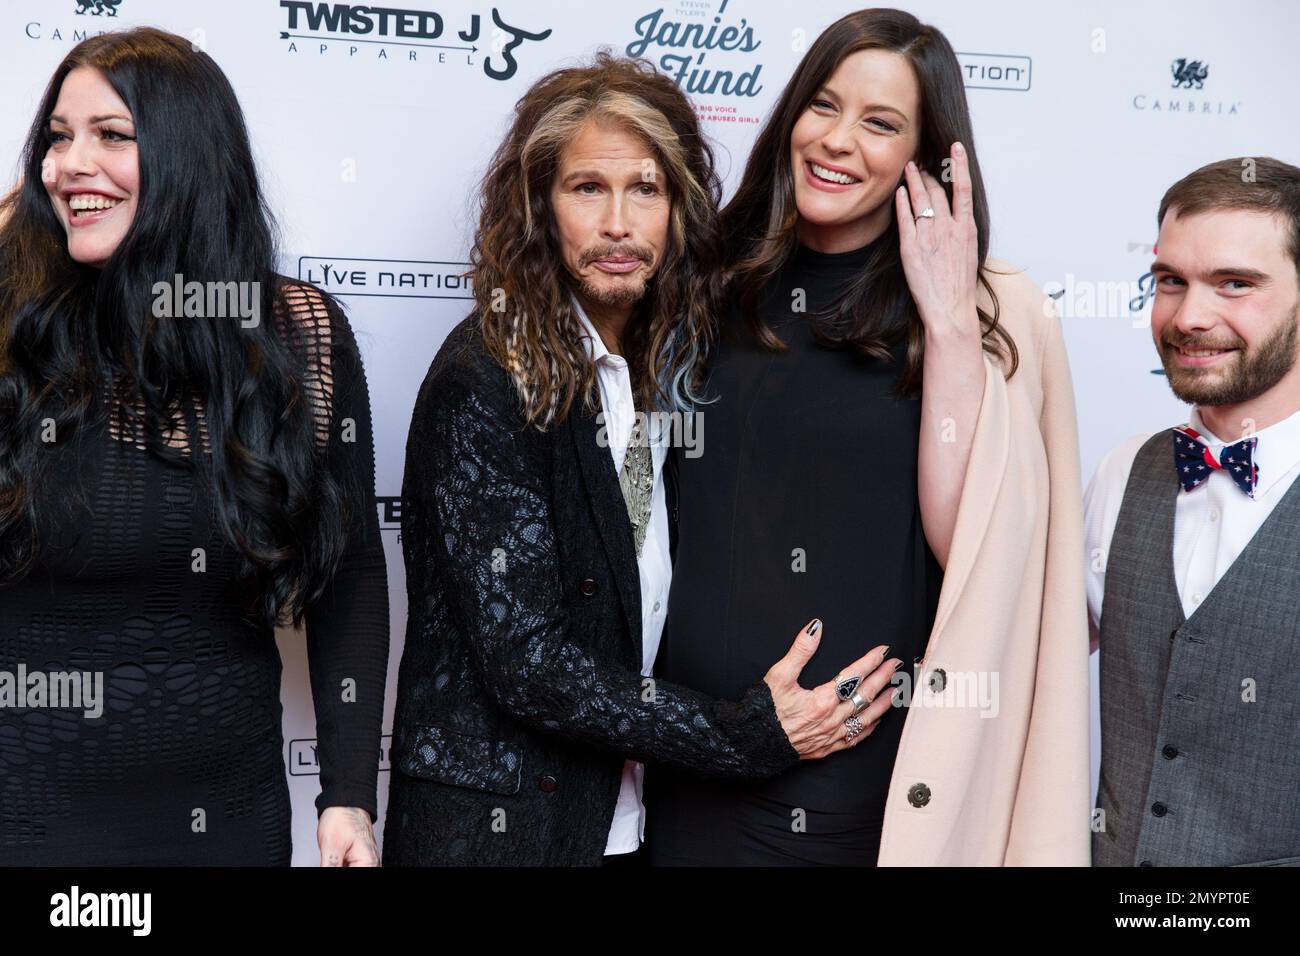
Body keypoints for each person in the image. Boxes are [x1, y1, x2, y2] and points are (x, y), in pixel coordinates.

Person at [383, 53, 896, 867]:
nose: (619, 223)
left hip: (629, 822)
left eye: (646, 190)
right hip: (499, 835)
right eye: (588, 188)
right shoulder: (484, 374)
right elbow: (529, 664)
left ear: (679, 209)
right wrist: (744, 736)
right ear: (540, 207)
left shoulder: (663, 366)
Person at [646, 8, 1090, 866]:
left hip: (855, 778)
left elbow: (976, 553)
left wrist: (951, 321)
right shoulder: (701, 279)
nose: (839, 140)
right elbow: (634, 503)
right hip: (691, 758)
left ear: (926, 159)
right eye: (823, 105)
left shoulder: (992, 309)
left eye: (880, 123)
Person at [0, 28, 389, 866]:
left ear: (186, 154)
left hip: (225, 821)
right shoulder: (14, 327)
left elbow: (350, 574)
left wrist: (349, 793)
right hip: (29, 818)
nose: (69, 164)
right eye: (57, 139)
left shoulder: (298, 337)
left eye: (111, 134)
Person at [1087, 157, 1300, 867]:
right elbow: (1021, 659)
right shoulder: (1124, 472)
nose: (1188, 317)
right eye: (1171, 282)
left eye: (1234, 284)